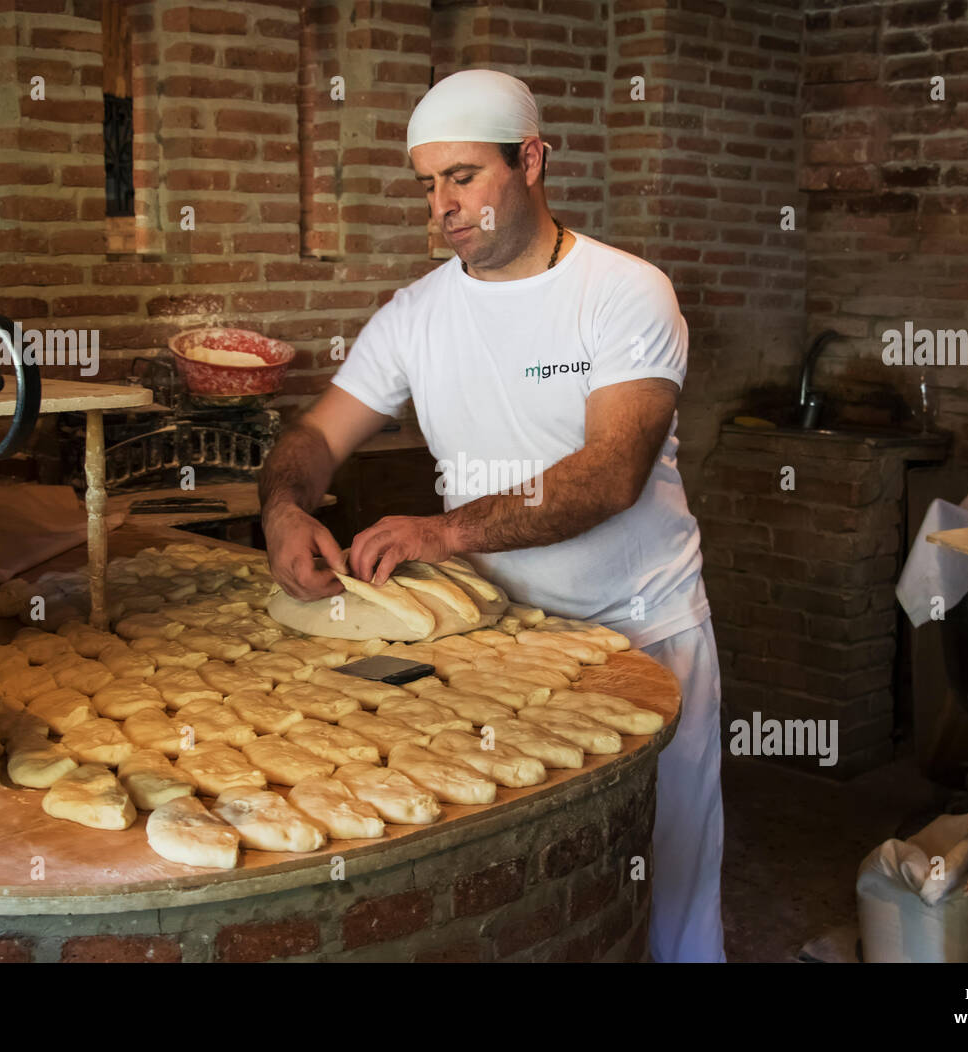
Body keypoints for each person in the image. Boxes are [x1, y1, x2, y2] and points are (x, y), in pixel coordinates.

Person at [258, 69, 724, 963]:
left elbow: (608, 474)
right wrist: (283, 508)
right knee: (522, 870)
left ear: (533, 161)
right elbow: (315, 436)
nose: (443, 206)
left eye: (464, 176)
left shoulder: (623, 291)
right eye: (428, 184)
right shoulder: (415, 315)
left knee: (664, 866)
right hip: (492, 640)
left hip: (640, 631)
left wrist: (440, 533)